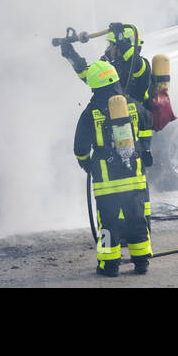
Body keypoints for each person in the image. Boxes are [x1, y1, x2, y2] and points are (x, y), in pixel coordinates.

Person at [73, 59, 152, 276]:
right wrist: (145, 150)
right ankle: (141, 260)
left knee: (108, 225)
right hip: (134, 179)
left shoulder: (91, 113)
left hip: (107, 184)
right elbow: (148, 123)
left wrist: (86, 163)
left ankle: (109, 265)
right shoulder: (133, 105)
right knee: (136, 220)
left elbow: (80, 146)